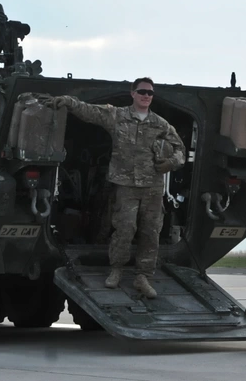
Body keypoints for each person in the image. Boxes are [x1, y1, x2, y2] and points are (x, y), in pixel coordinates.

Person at [54, 77, 185, 299]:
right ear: (133, 93)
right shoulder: (117, 116)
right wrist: (69, 102)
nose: (146, 96)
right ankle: (116, 270)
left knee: (151, 232)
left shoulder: (160, 124)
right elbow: (90, 112)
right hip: (126, 186)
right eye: (142, 91)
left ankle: (143, 276)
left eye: (150, 93)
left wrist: (171, 163)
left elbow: (180, 149)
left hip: (153, 187)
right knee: (124, 229)